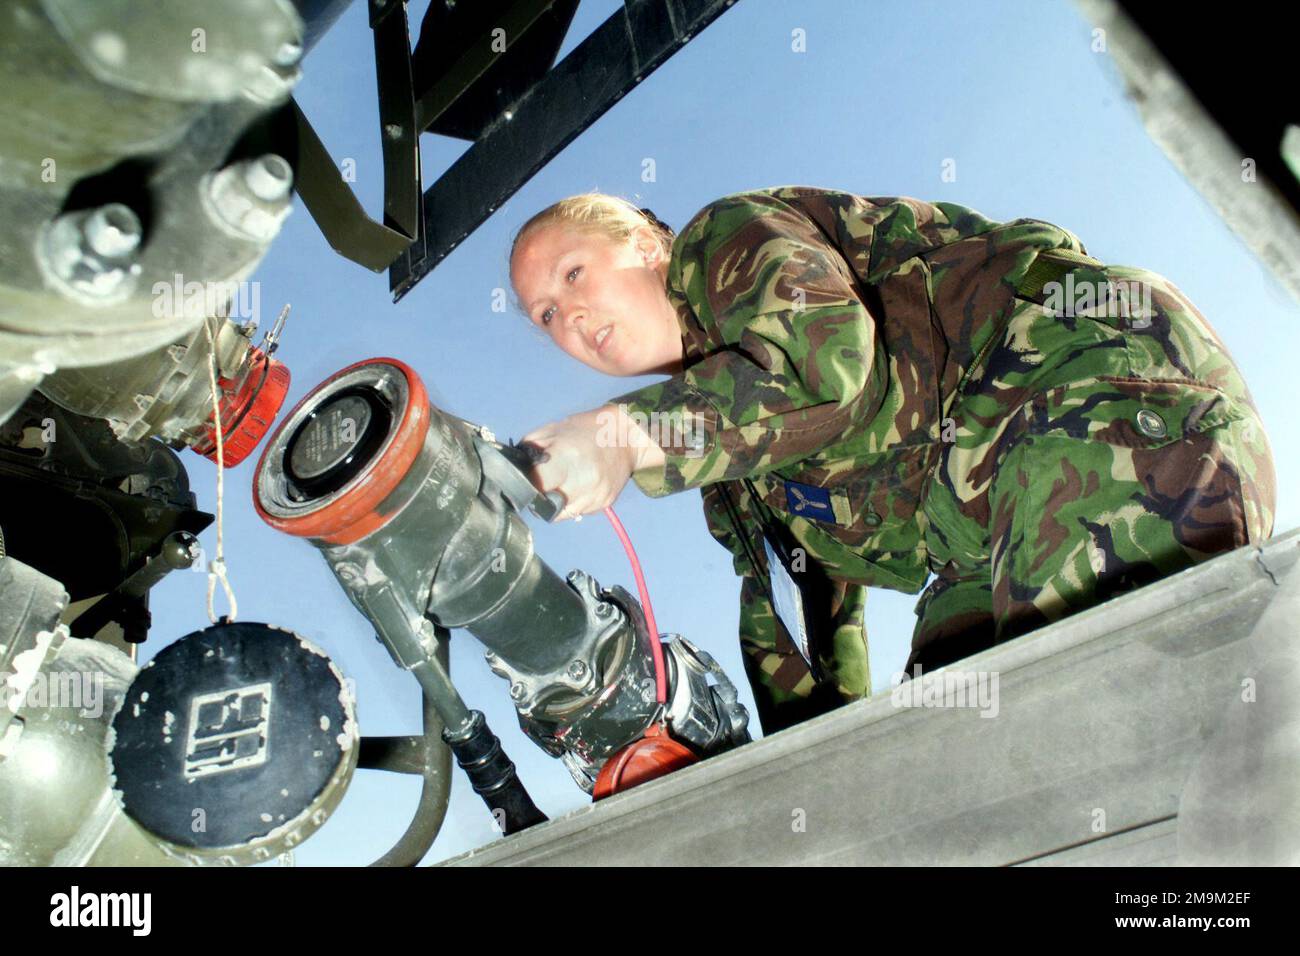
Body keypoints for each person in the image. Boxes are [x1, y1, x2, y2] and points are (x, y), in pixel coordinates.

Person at [510, 186, 1277, 736]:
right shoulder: (731, 464)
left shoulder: (727, 241)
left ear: (644, 244)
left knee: (1106, 715)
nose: (566, 314)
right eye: (543, 315)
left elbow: (827, 366)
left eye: (572, 273)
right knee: (936, 765)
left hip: (1086, 378)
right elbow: (801, 652)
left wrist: (616, 437)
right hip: (977, 539)